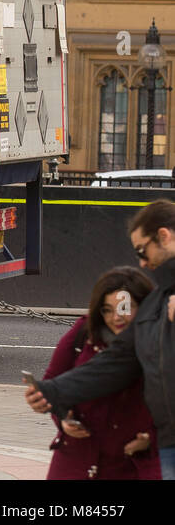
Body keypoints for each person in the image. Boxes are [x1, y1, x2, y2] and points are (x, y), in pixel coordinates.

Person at [26, 199, 175, 479]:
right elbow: (115, 363)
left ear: (164, 236)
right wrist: (52, 393)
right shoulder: (157, 303)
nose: (143, 262)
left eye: (143, 250)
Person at [41, 266, 158, 479]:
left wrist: (151, 438)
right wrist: (64, 420)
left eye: (124, 308)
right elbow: (52, 383)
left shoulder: (161, 342)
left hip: (132, 465)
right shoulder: (83, 333)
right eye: (107, 310)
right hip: (76, 464)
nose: (116, 318)